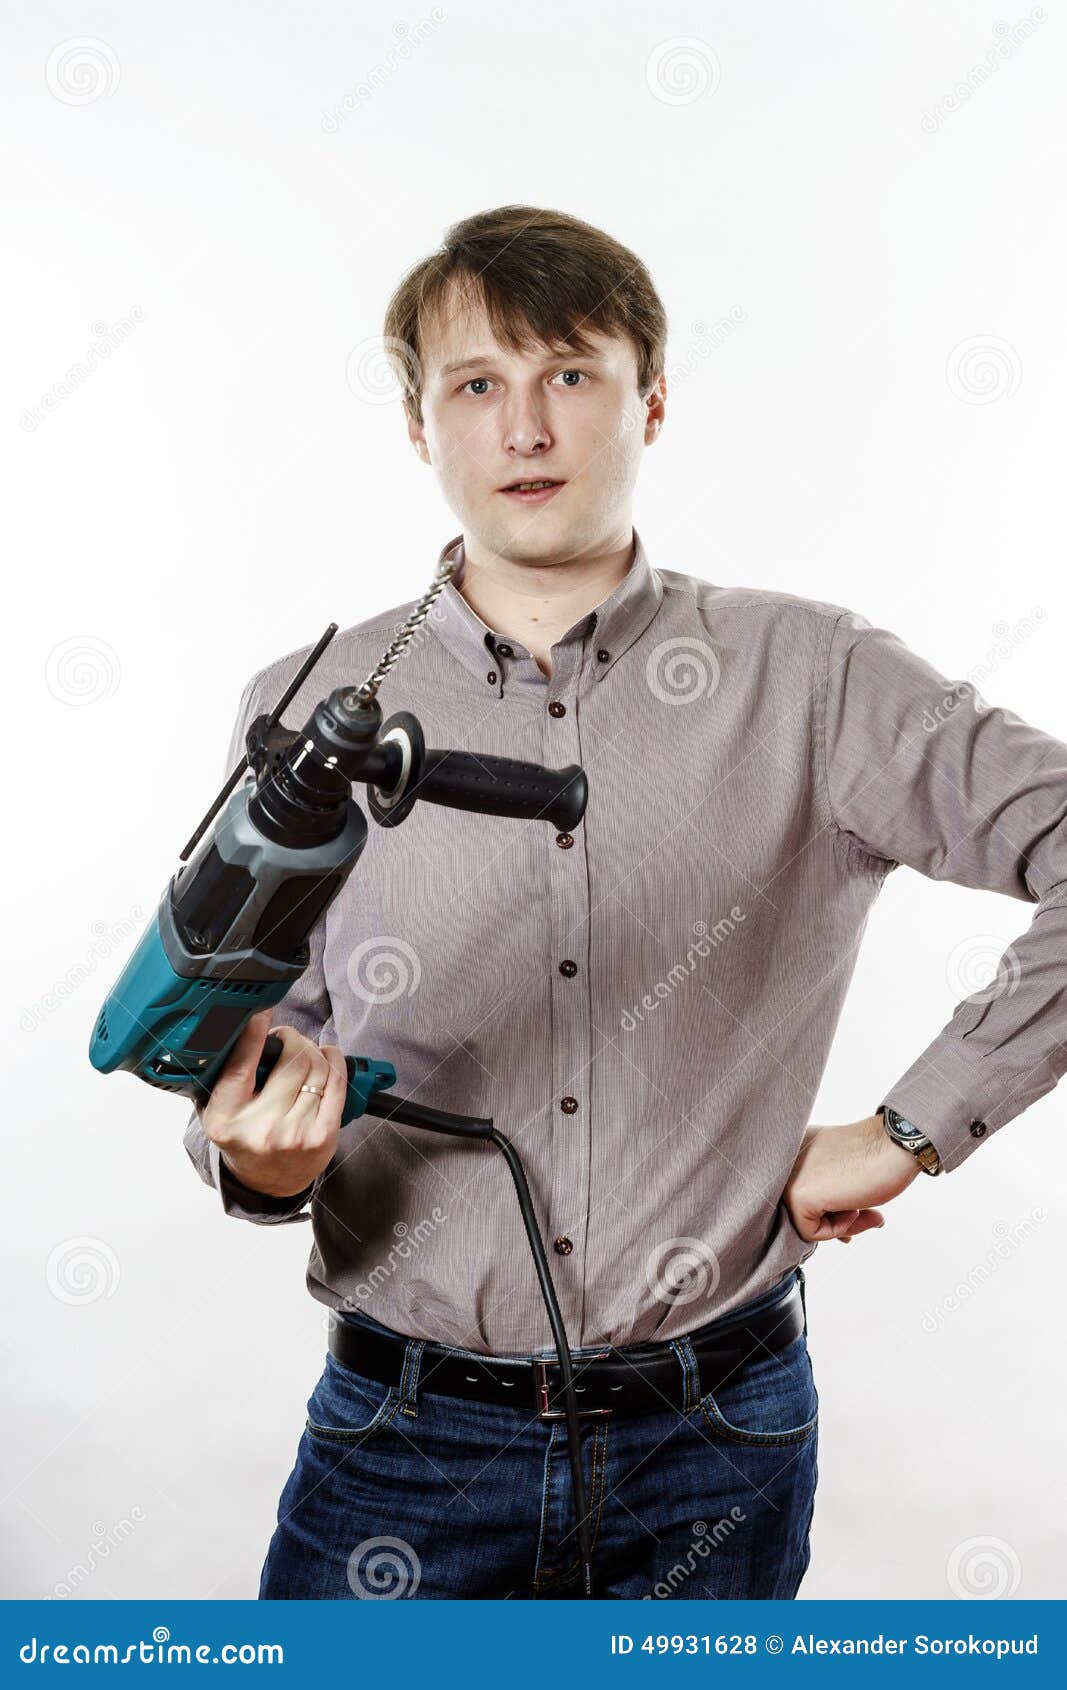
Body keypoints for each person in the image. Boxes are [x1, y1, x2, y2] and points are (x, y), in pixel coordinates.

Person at [184, 205, 1067, 1600]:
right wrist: (260, 1163)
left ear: (651, 401)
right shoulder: (310, 704)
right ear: (420, 427)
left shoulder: (815, 677)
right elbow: (245, 1039)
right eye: (477, 385)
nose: (526, 428)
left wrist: (916, 1126)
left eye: (569, 374)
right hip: (402, 1440)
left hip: (718, 1441)